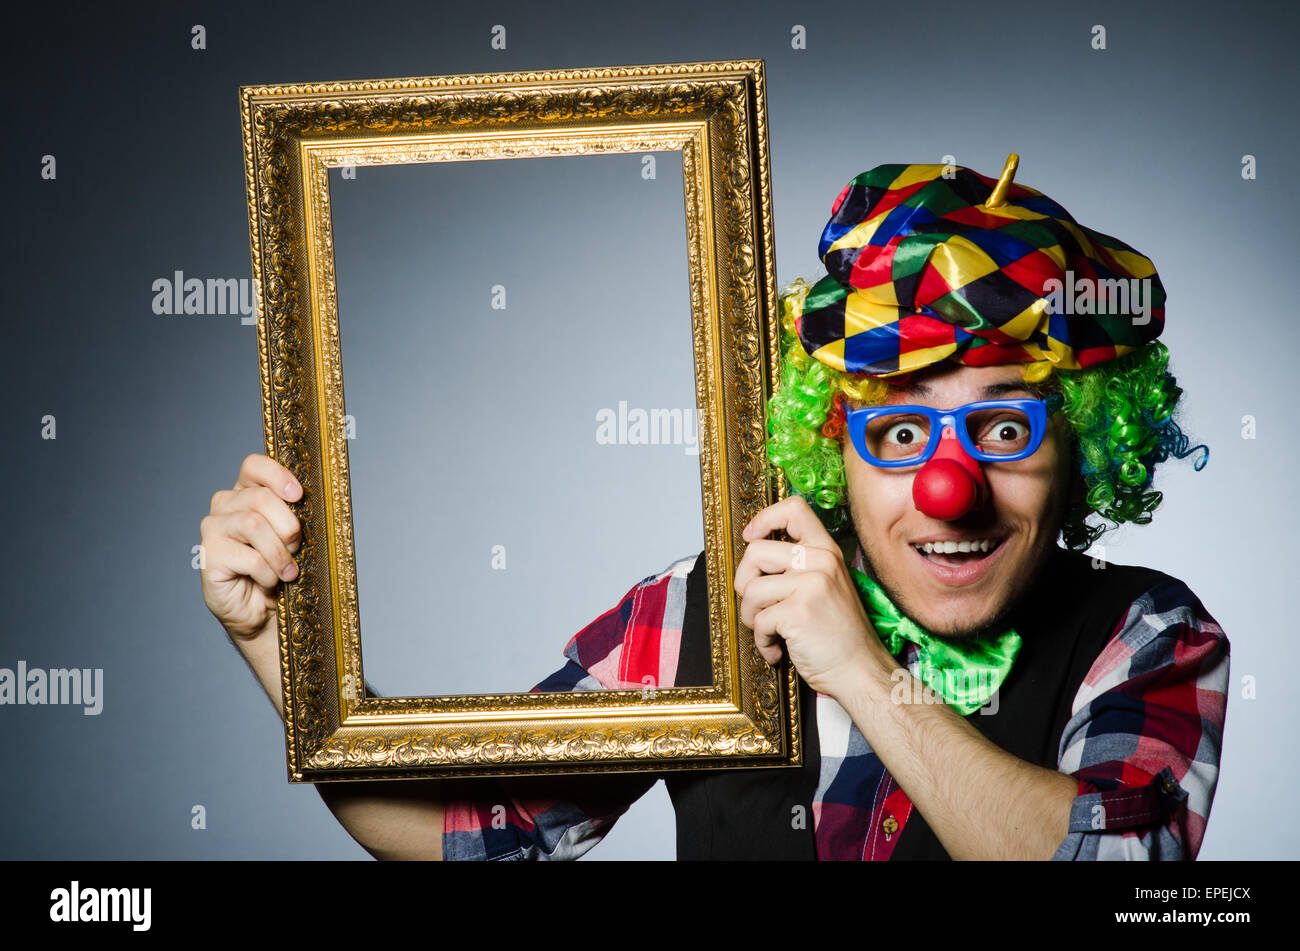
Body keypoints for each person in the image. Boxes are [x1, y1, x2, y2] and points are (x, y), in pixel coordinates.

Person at [200, 155, 1229, 861]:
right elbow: (476, 836)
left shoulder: (1146, 633)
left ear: (1082, 448)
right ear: (831, 445)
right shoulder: (706, 609)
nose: (947, 492)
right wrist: (282, 645)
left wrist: (862, 672)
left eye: (1004, 432)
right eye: (900, 434)